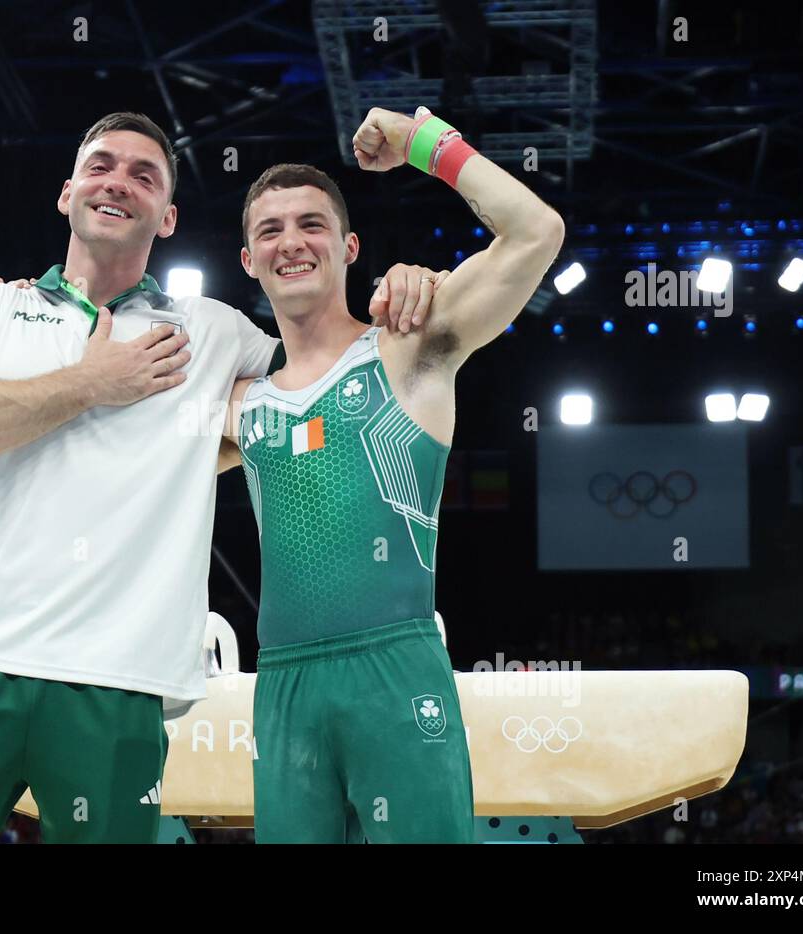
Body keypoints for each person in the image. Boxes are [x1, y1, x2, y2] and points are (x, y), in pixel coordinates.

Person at [0, 111, 425, 843]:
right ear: (67, 193)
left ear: (169, 214)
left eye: (144, 175)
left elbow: (323, 397)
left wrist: (406, 288)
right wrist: (90, 383)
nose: (118, 181)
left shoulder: (214, 331)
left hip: (119, 688)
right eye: (101, 166)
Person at [226, 106, 564, 842]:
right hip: (281, 690)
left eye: (311, 224)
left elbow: (537, 234)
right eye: (269, 230)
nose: (292, 242)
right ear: (248, 261)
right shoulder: (239, 407)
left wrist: (422, 144)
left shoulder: (409, 348)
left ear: (350, 247)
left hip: (395, 672)